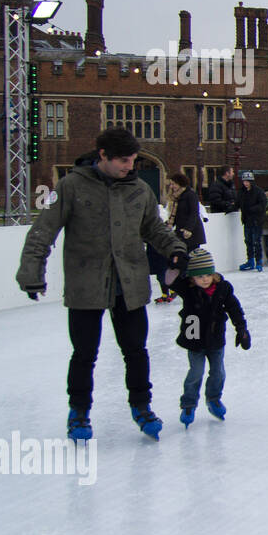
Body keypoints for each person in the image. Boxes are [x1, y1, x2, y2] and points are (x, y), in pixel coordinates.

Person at [16, 127, 189, 440]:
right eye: (123, 160)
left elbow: (155, 229)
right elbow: (43, 230)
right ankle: (79, 412)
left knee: (136, 351)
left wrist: (175, 250)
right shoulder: (70, 186)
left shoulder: (139, 190)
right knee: (84, 353)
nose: (129, 166)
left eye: (133, 160)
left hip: (130, 284)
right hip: (87, 284)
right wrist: (31, 272)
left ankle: (141, 405)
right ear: (103, 156)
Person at [169, 247, 250, 425]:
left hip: (215, 338)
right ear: (192, 277)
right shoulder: (188, 289)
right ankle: (188, 404)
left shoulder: (223, 288)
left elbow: (234, 309)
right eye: (199, 276)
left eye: (207, 274)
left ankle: (213, 399)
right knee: (196, 372)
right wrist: (175, 265)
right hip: (194, 338)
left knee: (218, 372)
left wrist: (241, 329)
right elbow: (170, 281)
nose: (205, 279)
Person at [238, 172, 267, 271]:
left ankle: (258, 261)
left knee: (256, 241)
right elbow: (238, 202)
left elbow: (263, 204)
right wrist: (230, 208)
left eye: (247, 181)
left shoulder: (258, 191)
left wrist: (252, 209)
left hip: (256, 221)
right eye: (244, 181)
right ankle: (250, 260)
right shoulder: (242, 192)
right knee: (248, 241)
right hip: (246, 221)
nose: (245, 183)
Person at [169, 173, 206, 251]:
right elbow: (176, 215)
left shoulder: (190, 195)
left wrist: (188, 229)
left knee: (190, 257)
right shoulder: (177, 197)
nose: (171, 186)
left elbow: (194, 213)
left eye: (173, 184)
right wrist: (168, 225)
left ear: (180, 183)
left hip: (191, 233)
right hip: (181, 232)